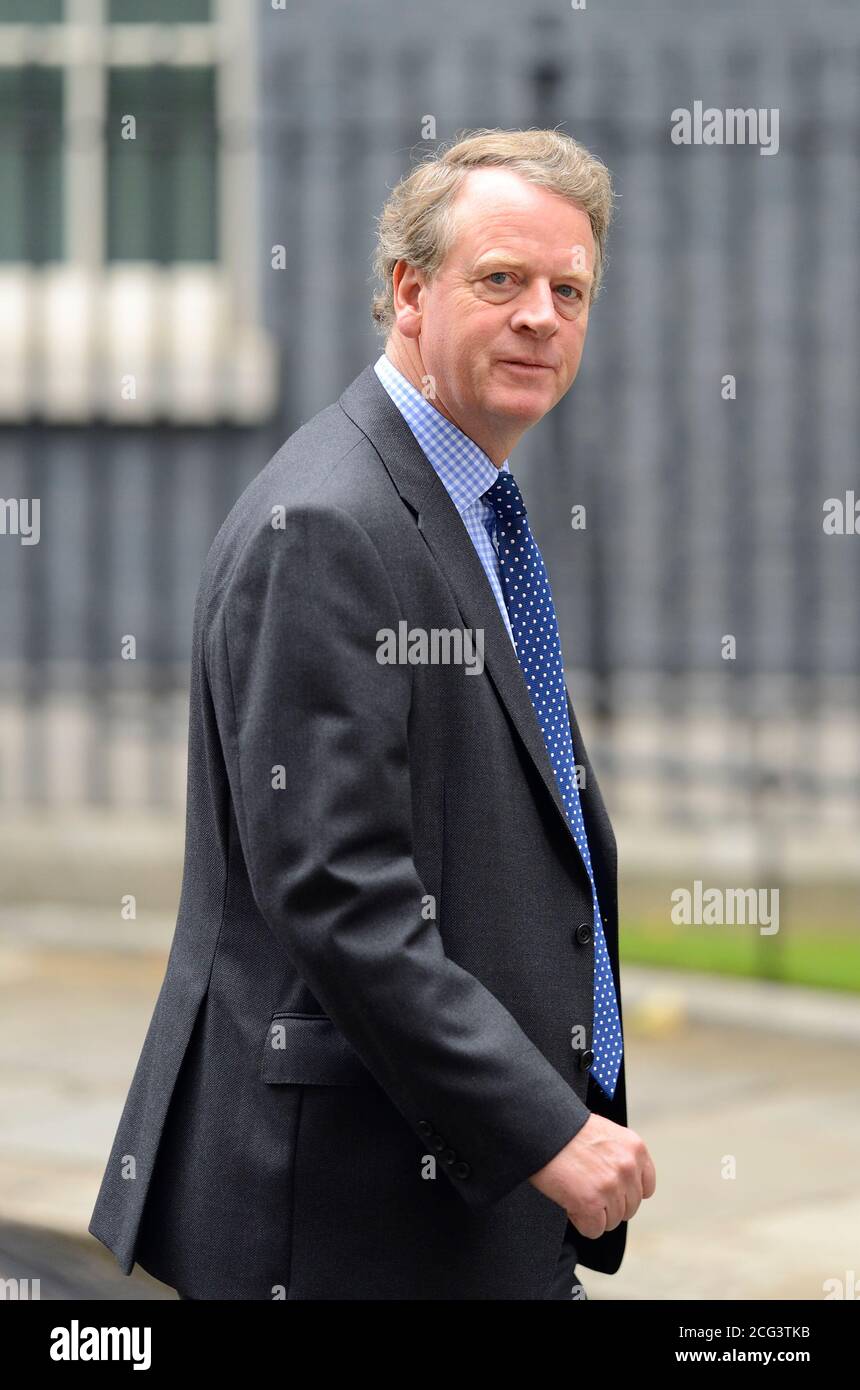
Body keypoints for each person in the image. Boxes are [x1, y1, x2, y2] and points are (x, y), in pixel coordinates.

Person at [89, 126, 655, 1301]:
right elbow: (341, 896)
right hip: (348, 1215)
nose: (540, 316)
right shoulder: (333, 526)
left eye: (568, 289)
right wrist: (542, 1128)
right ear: (408, 291)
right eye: (499, 279)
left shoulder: (461, 496)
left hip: (446, 1197)